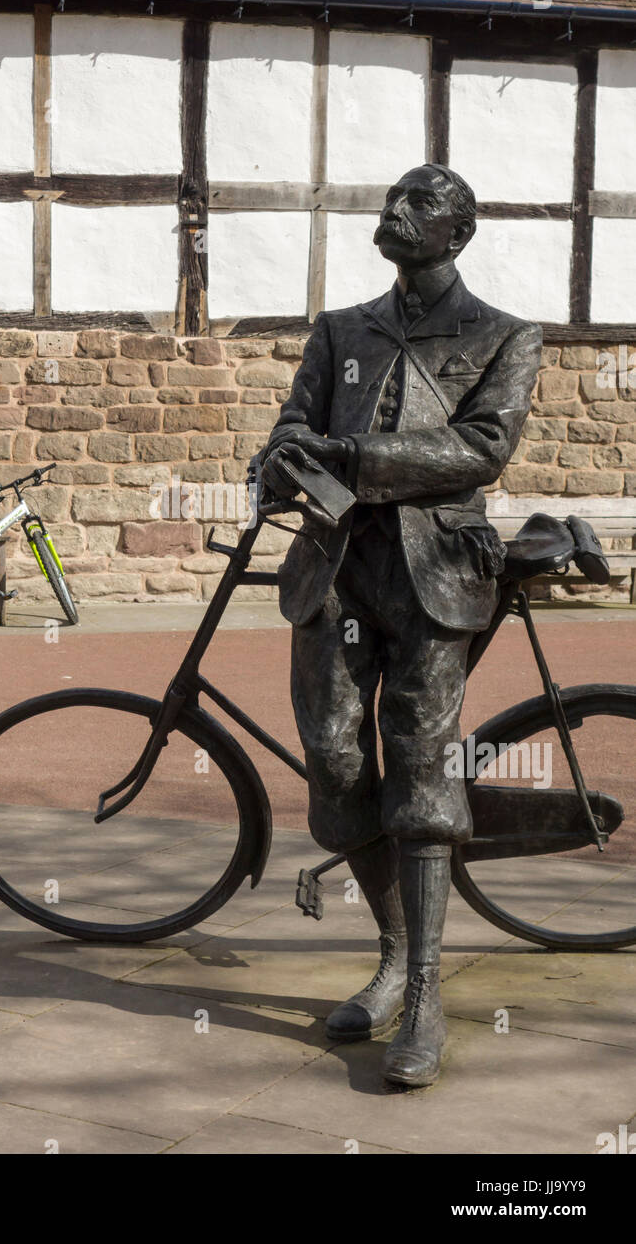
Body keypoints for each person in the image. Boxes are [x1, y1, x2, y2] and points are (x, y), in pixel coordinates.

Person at [258, 164, 542, 1087]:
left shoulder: (503, 336)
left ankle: (423, 991)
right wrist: (280, 459)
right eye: (392, 199)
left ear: (457, 233)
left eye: (419, 204)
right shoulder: (341, 328)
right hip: (335, 573)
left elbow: (481, 448)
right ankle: (389, 954)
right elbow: (292, 426)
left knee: (422, 768)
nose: (393, 212)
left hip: (433, 574)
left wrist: (349, 454)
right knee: (336, 769)